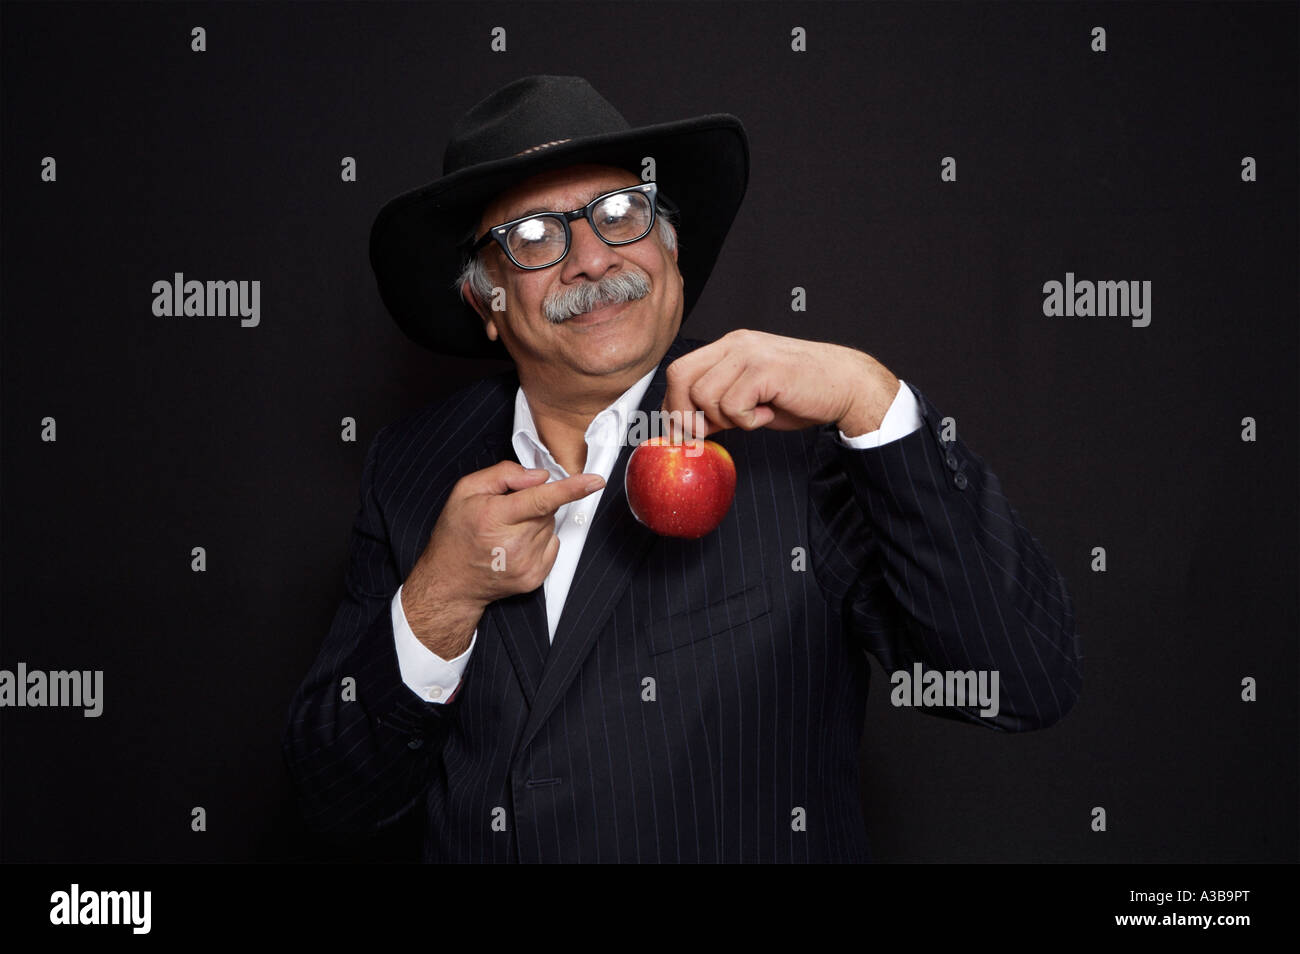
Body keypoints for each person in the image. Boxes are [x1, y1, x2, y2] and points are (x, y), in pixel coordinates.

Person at [282, 75, 1082, 863]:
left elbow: (1021, 679)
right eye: (532, 235)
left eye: (622, 213)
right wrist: (439, 600)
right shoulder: (411, 465)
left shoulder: (794, 443)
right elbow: (335, 800)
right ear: (485, 302)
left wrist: (872, 402)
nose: (590, 260)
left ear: (671, 253)